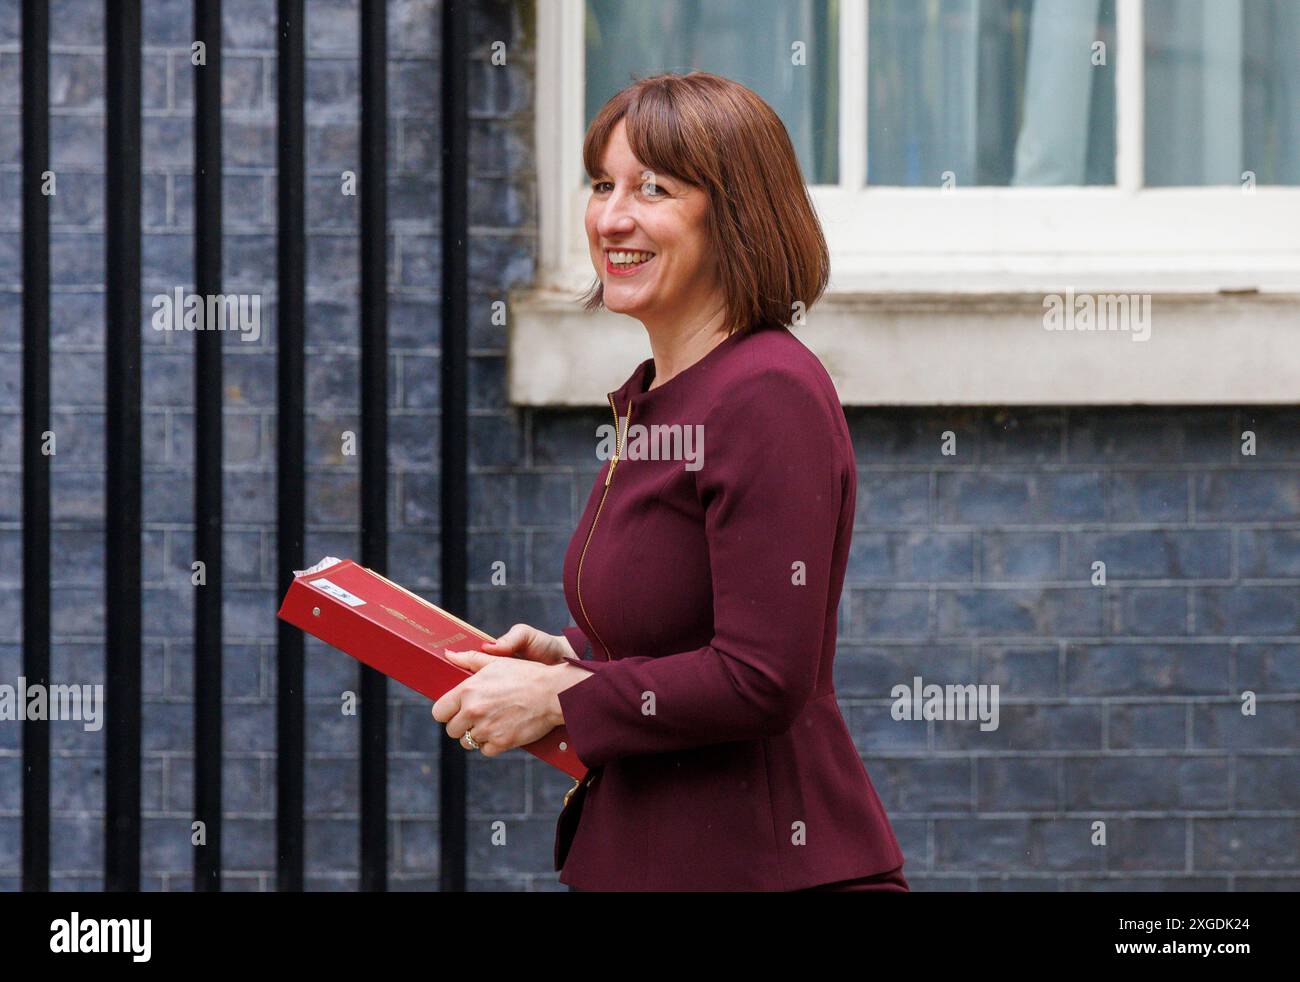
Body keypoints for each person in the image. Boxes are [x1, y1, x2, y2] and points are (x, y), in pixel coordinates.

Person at [433, 71, 908, 892]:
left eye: (654, 189)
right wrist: (574, 653)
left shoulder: (766, 393)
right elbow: (691, 628)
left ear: (736, 216)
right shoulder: (665, 393)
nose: (612, 217)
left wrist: (564, 700)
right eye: (602, 184)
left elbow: (762, 677)